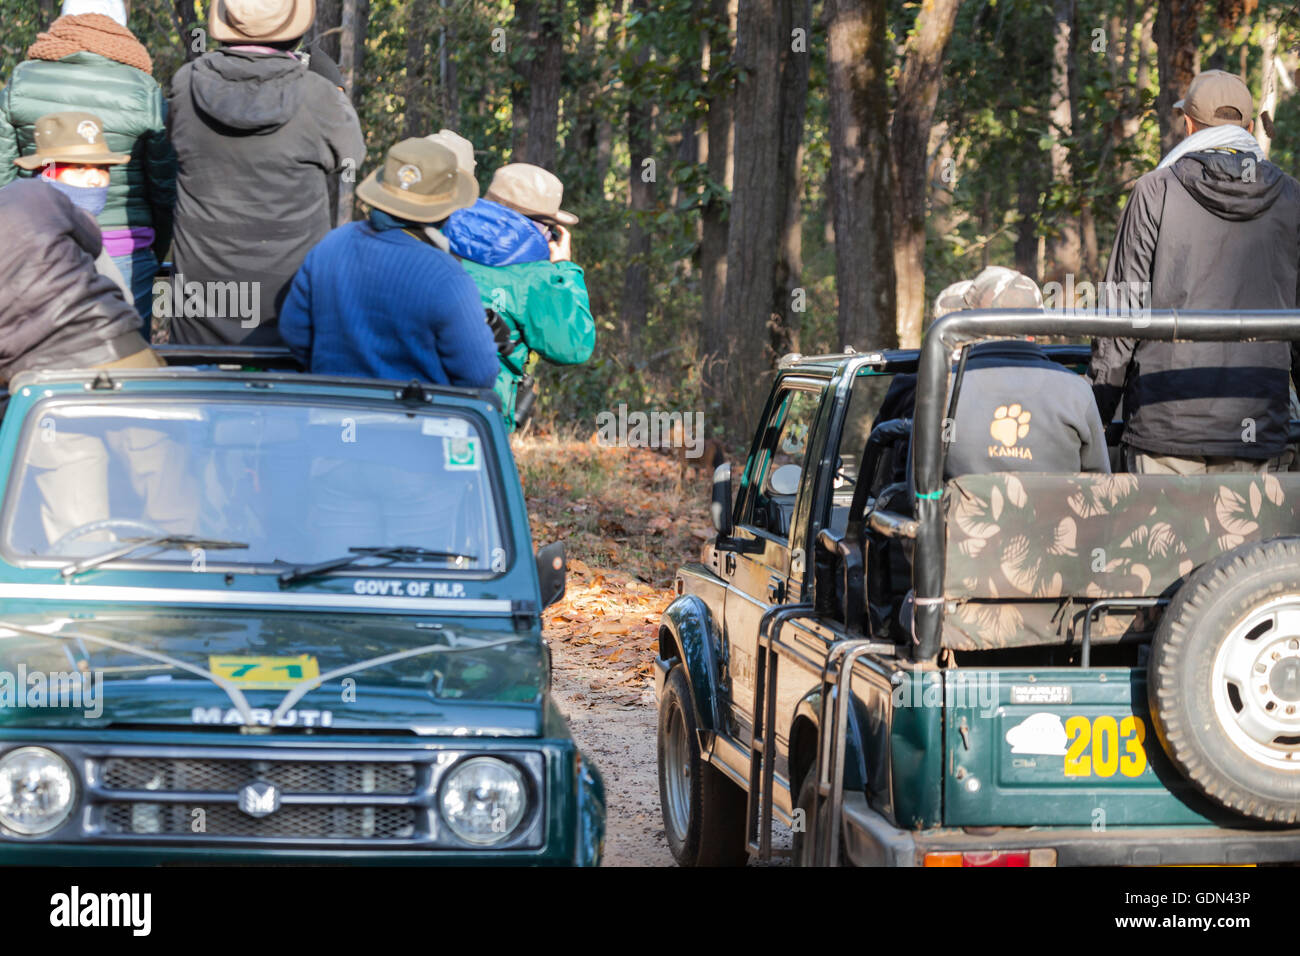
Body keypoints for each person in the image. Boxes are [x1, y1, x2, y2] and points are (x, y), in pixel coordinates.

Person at [1090, 69, 1300, 475]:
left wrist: (1095, 415)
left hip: (1164, 425)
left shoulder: (1155, 190)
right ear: (1251, 127)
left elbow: (1119, 316)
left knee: (1161, 542)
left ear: (1188, 124)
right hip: (1255, 424)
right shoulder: (1292, 199)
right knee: (1250, 541)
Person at [166, 0, 364, 346]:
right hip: (289, 304)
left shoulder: (186, 85)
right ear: (295, 33)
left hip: (198, 306)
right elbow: (352, 155)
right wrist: (333, 91)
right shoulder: (316, 94)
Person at [0, 0, 176, 327]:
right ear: (121, 26)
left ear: (64, 19)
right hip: (125, 244)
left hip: (40, 240)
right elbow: (163, 188)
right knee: (128, 351)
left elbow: (3, 175)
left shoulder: (23, 79)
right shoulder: (142, 87)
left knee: (47, 352)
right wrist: (156, 245)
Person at [278, 137, 499, 388]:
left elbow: (293, 332)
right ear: (445, 208)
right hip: (415, 421)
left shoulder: (331, 245)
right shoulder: (447, 277)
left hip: (330, 415)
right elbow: (480, 374)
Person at [442, 155, 595, 429]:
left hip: (415, 396)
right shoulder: (536, 277)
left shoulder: (438, 237)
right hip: (481, 416)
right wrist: (565, 270)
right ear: (544, 227)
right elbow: (572, 347)